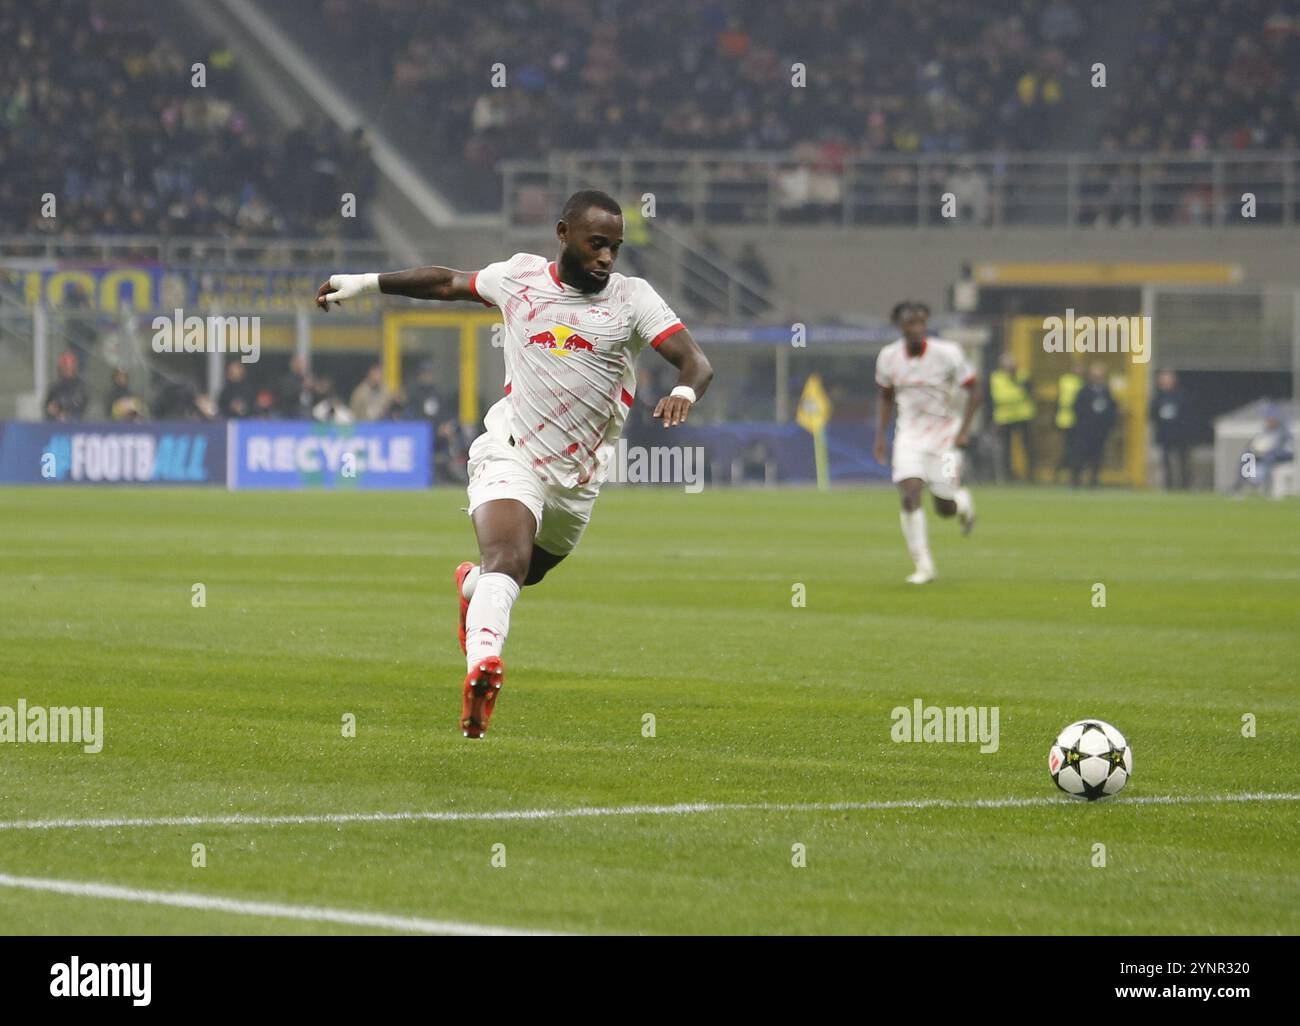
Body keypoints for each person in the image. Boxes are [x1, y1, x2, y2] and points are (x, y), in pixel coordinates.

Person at [316, 189, 713, 738]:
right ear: (563, 234)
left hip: (577, 481)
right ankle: (482, 666)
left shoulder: (632, 299)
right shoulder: (519, 278)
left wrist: (685, 394)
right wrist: (365, 283)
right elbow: (446, 281)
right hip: (512, 451)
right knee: (507, 555)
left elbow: (695, 361)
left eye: (614, 249)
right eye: (596, 244)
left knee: (523, 572)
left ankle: (470, 587)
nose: (605, 258)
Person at [873, 301, 981, 584]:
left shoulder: (948, 354)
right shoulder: (888, 357)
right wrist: (881, 436)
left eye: (921, 322)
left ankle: (962, 502)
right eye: (910, 323)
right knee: (910, 493)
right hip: (909, 436)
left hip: (945, 438)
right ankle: (924, 566)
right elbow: (886, 397)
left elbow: (976, 389)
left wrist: (964, 430)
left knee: (944, 506)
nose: (917, 328)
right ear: (899, 326)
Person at [989, 352, 1036, 482]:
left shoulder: (1022, 375)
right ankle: (1007, 476)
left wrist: (1015, 379)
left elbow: (1030, 392)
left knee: (1027, 447)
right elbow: (998, 396)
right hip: (1005, 418)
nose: (1009, 365)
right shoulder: (996, 377)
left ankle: (1030, 474)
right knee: (1006, 449)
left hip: (1023, 415)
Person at [1071, 363, 1117, 487]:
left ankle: (1094, 480)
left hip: (1100, 431)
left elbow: (1112, 410)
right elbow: (1077, 408)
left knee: (1097, 456)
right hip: (1085, 430)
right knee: (1080, 454)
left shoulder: (1106, 392)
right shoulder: (1084, 391)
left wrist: (1108, 426)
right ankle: (1076, 479)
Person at [1233, 404, 1293, 497]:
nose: (1268, 420)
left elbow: (1283, 448)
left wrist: (1266, 450)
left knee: (1269, 456)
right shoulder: (1264, 430)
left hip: (1283, 455)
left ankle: (1265, 486)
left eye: (1270, 418)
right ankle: (1242, 484)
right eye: (1267, 418)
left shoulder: (1283, 431)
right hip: (1266, 454)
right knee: (1247, 456)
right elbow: (1256, 444)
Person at [1150, 369, 1192, 489]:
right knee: (1166, 461)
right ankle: (1169, 485)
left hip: (1180, 433)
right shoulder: (1158, 397)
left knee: (1183, 460)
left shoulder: (1181, 395)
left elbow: (1187, 414)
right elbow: (1152, 414)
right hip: (1165, 433)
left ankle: (1184, 485)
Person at [1054, 361, 1084, 483]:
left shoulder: (1081, 382)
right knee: (1071, 449)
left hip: (1078, 421)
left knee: (1075, 449)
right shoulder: (1067, 381)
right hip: (1067, 420)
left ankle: (1069, 472)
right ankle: (1064, 471)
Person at [44, 352, 90, 421]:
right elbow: (47, 404)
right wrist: (52, 408)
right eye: (66, 367)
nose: (69, 370)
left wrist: (67, 412)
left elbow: (81, 404)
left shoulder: (80, 386)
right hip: (56, 420)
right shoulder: (55, 386)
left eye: (71, 367)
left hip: (74, 420)